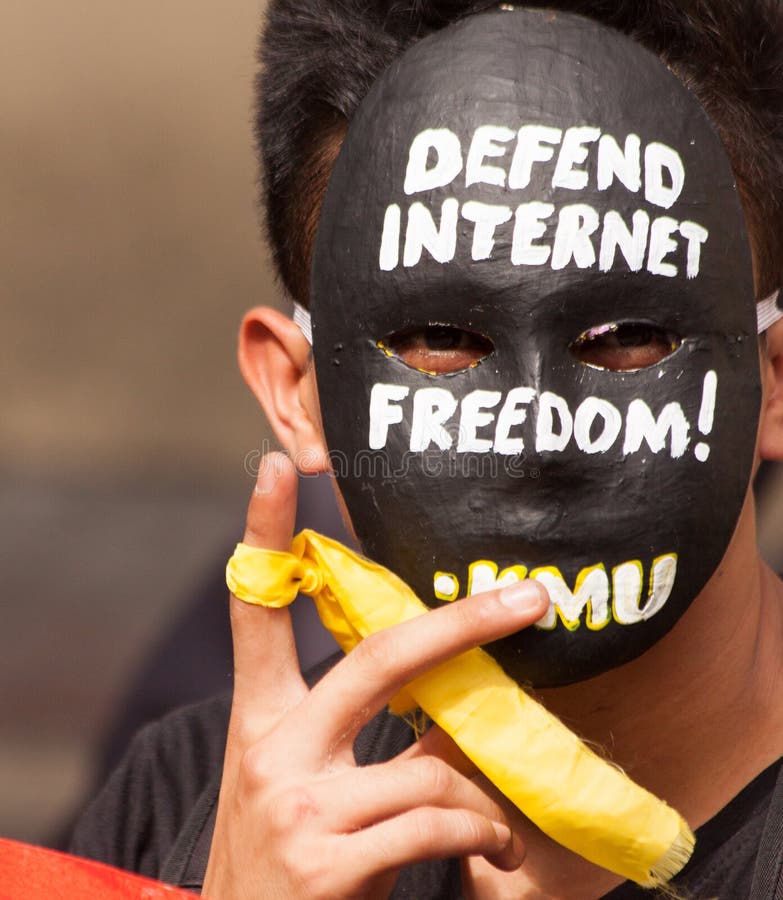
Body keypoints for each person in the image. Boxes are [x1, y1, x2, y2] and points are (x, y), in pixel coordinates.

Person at [70, 1, 783, 897]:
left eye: (626, 338)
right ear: (298, 395)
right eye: (441, 341)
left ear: (774, 377)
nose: (536, 434)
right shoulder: (182, 807)